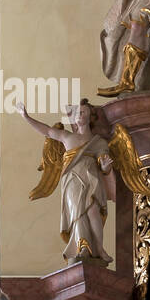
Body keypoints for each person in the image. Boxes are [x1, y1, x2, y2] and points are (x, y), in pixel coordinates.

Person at [19, 99, 114, 265]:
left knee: (93, 212)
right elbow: (47, 131)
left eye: (83, 112)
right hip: (72, 180)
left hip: (91, 178)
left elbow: (103, 163)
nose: (79, 115)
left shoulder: (99, 142)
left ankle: (98, 248)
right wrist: (26, 117)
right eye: (77, 112)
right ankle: (83, 247)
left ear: (90, 116)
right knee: (77, 212)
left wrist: (105, 167)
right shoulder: (67, 137)